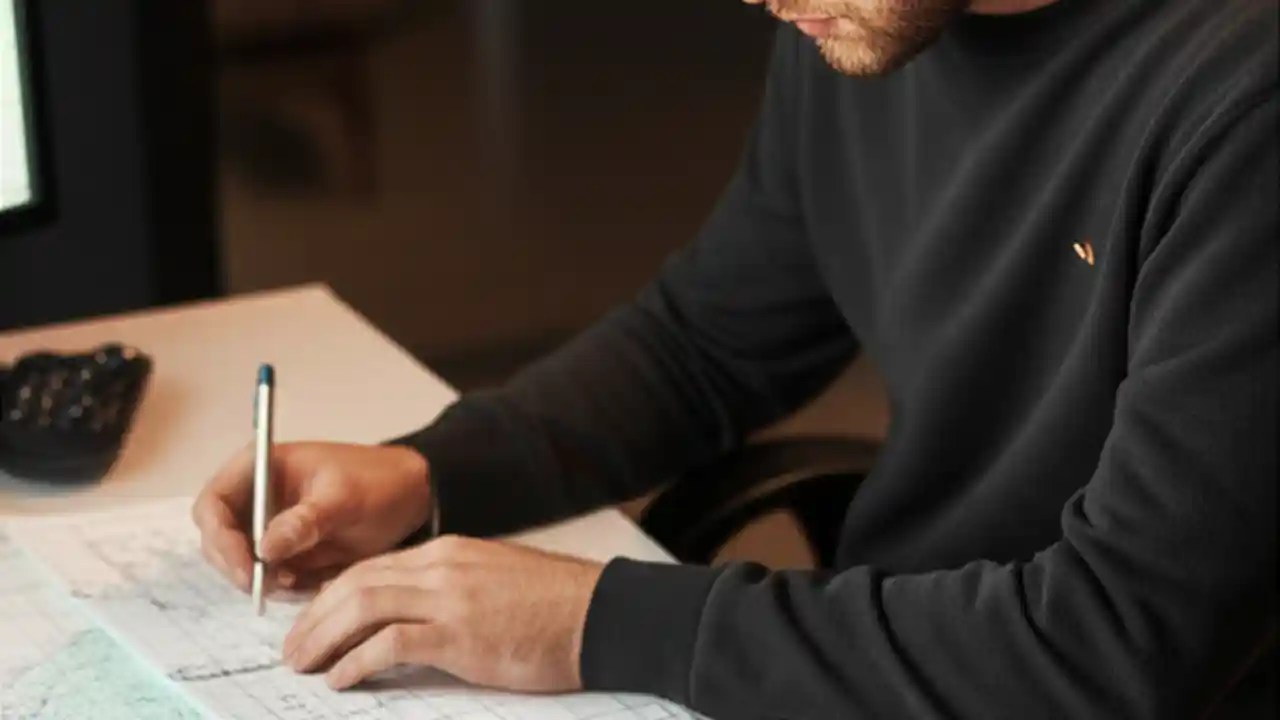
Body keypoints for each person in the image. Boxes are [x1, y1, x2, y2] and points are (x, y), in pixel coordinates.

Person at [193, 0, 1277, 716]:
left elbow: (1119, 645)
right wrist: (438, 471)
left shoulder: (1241, 100)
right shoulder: (866, 20)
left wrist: (594, 623)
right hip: (892, 665)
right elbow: (708, 340)